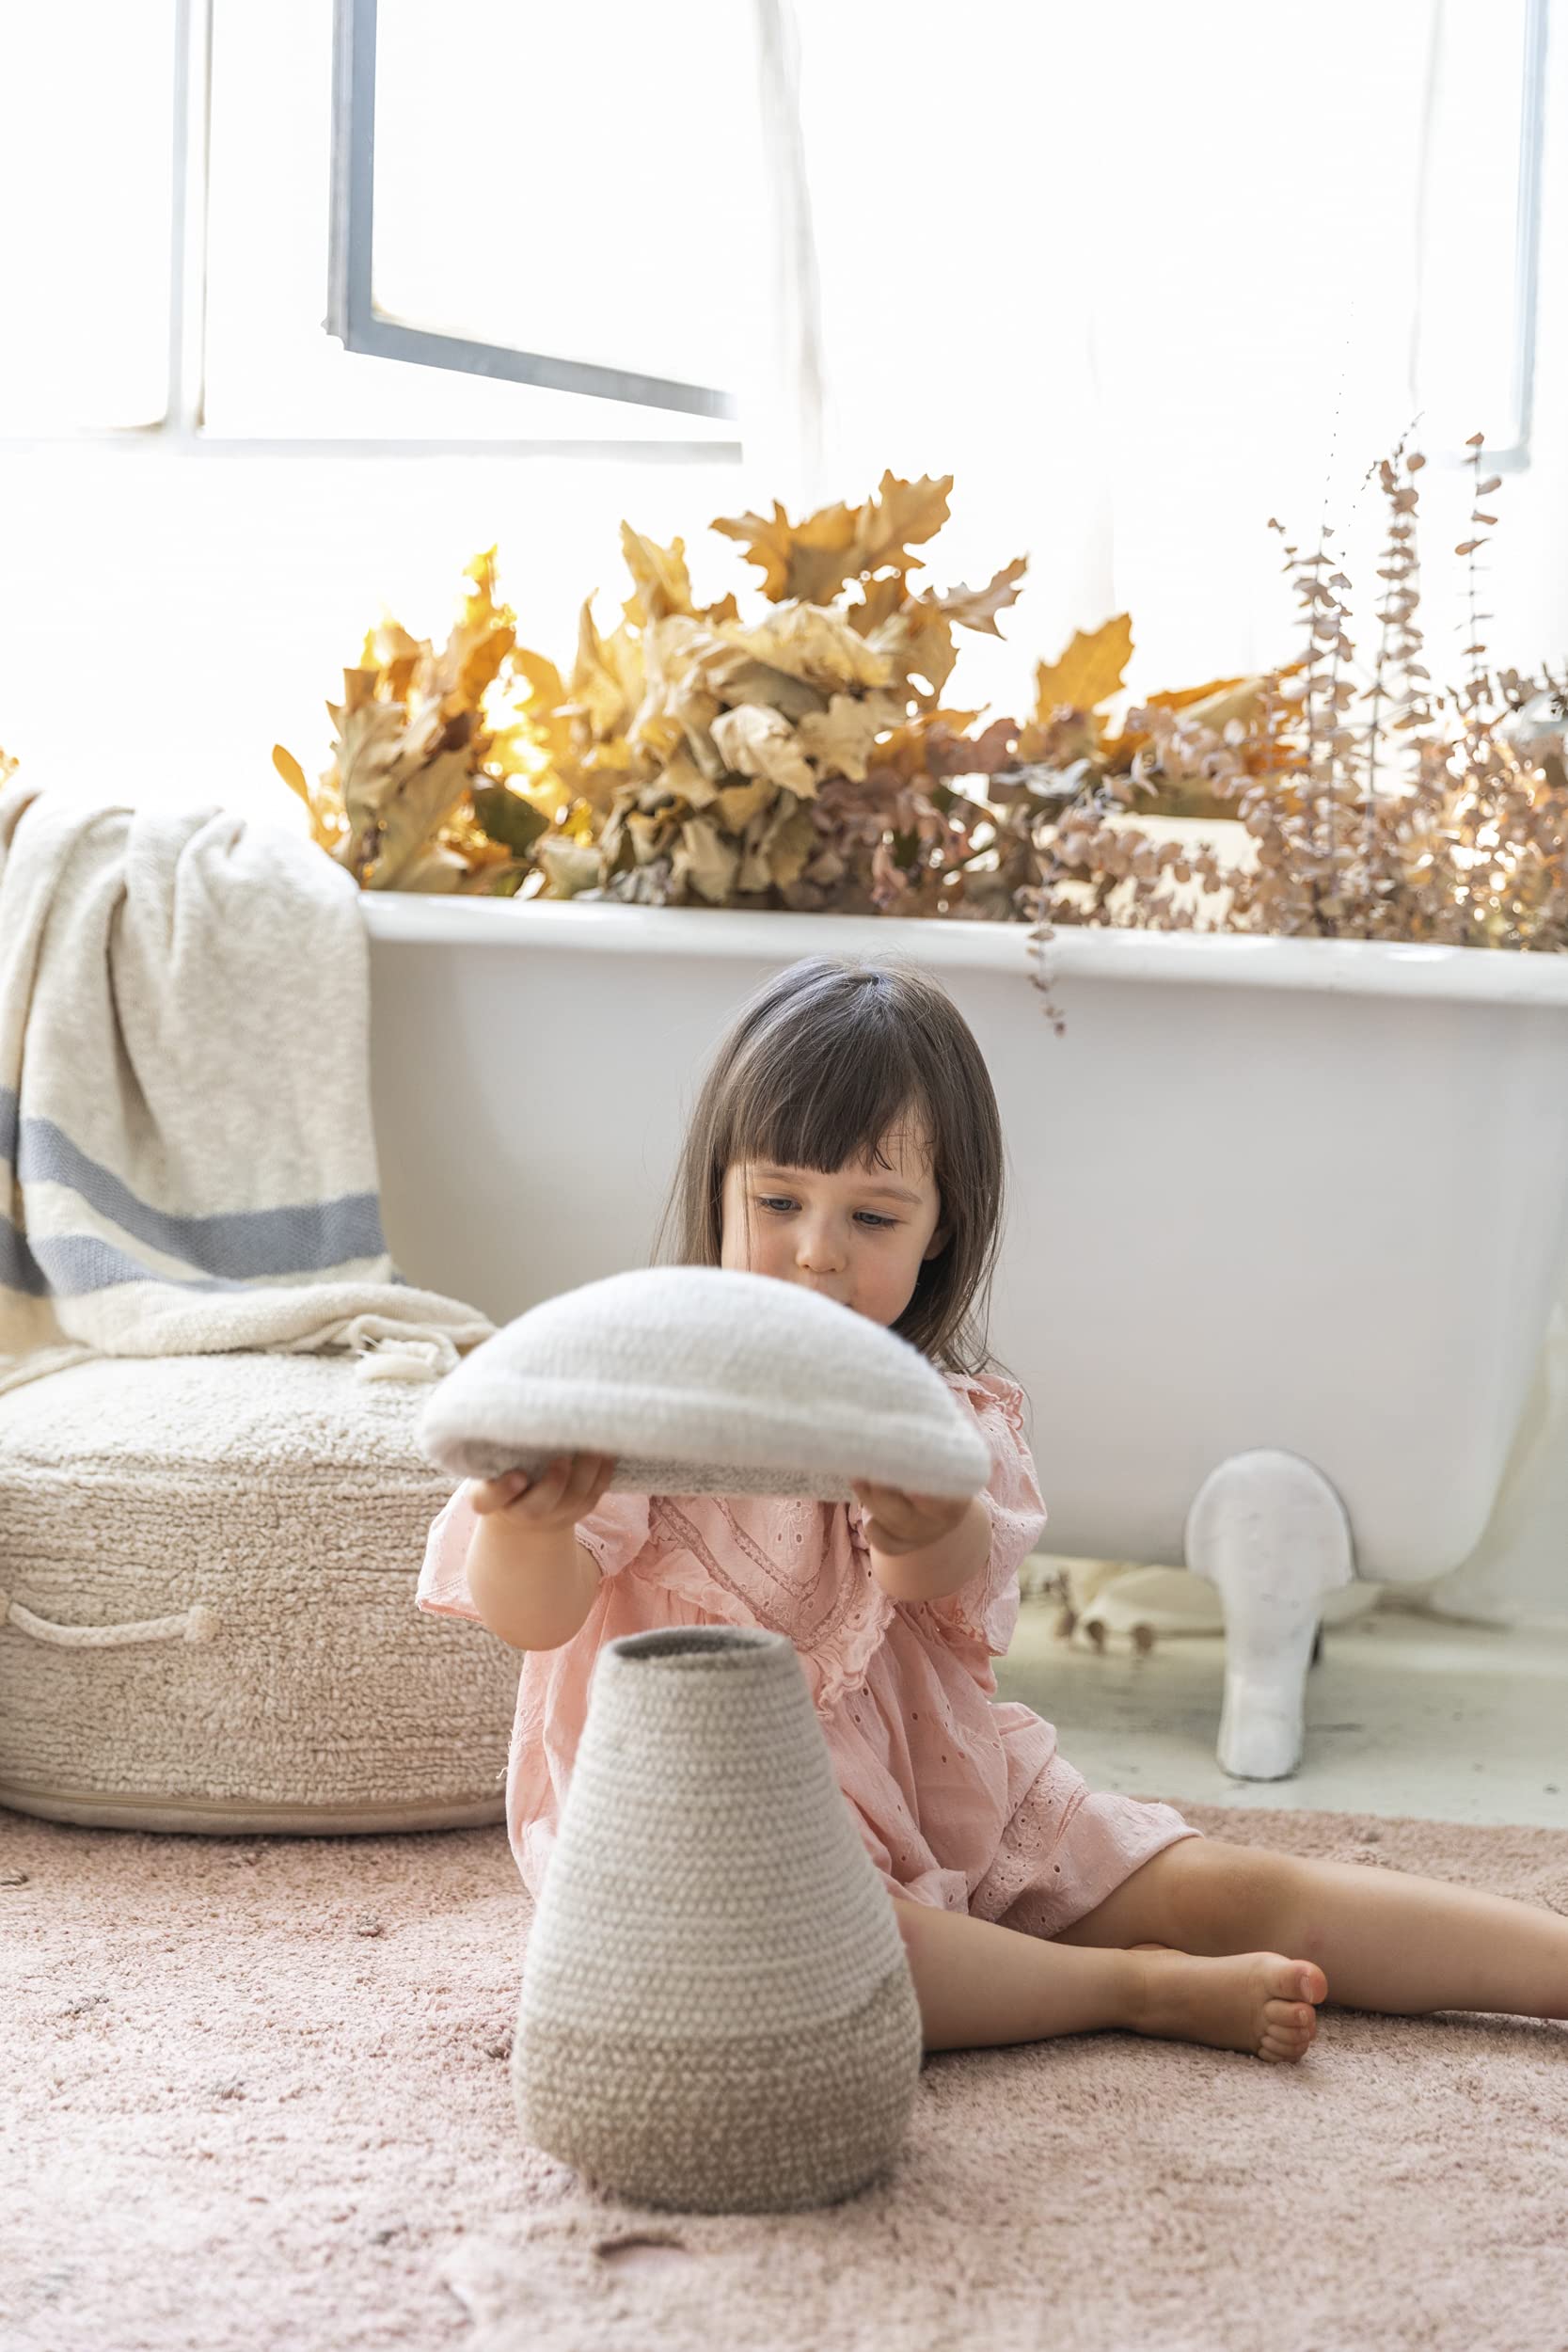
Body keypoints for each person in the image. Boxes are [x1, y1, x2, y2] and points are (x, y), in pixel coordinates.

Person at [417, 955, 1568, 2061]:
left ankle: (1545, 1965)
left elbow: (940, 1578)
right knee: (820, 1960)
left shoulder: (949, 1416)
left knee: (1234, 1888)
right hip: (704, 1828)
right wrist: (530, 1522)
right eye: (777, 1200)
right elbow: (533, 1614)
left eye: (873, 1219)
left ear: (939, 1234)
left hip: (943, 1789)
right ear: (719, 1186)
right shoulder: (633, 1395)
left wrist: (919, 1520)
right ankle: (1130, 1990)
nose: (816, 1254)